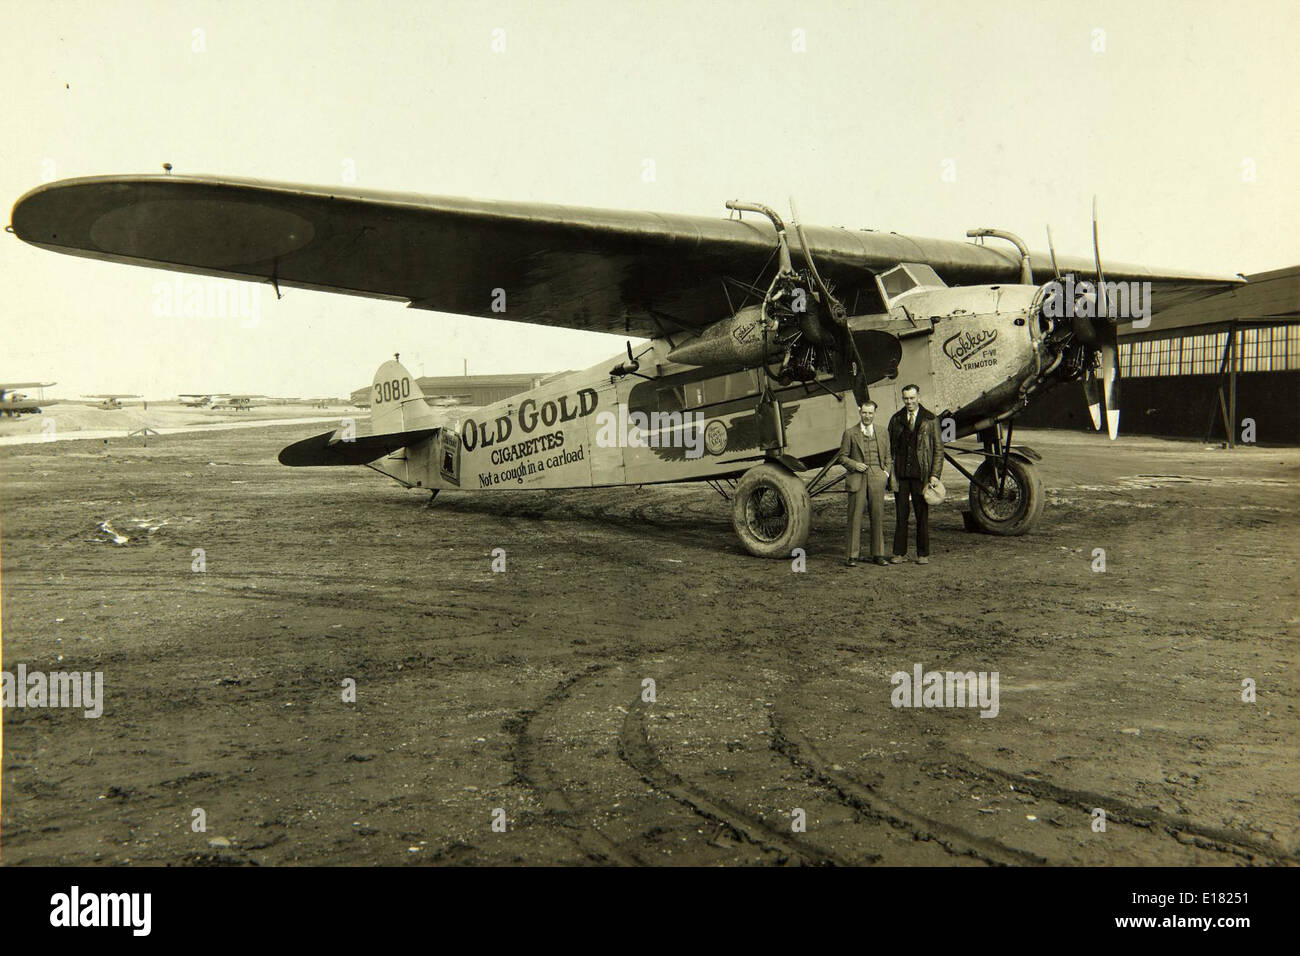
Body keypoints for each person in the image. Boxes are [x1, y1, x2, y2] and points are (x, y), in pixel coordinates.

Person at [888, 384, 943, 565]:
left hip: (921, 476)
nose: (909, 402)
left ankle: (923, 554)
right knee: (901, 515)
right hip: (901, 475)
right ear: (902, 399)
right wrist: (890, 473)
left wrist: (935, 475)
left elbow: (938, 450)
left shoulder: (930, 419)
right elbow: (890, 448)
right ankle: (899, 553)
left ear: (919, 397)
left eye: (912, 398)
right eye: (906, 398)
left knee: (922, 516)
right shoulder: (896, 419)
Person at [838, 400, 892, 567]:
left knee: (877, 515)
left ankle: (878, 554)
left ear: (875, 413)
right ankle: (852, 556)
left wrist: (885, 473)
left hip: (877, 476)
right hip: (857, 476)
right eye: (864, 413)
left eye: (870, 413)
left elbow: (888, 456)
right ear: (859, 412)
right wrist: (855, 465)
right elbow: (842, 457)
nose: (867, 416)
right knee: (854, 516)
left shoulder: (883, 432)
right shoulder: (850, 433)